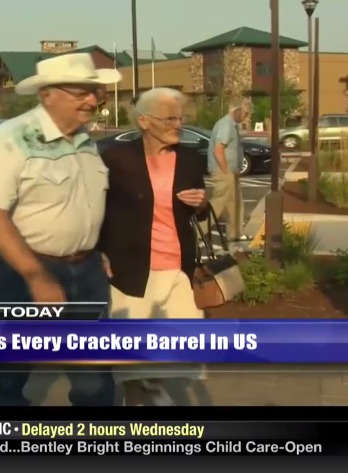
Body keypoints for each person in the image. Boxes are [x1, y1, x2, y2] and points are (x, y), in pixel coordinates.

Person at [0, 53, 121, 406]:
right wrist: (36, 276)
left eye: (95, 92)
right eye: (81, 92)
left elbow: (85, 202)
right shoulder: (10, 140)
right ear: (47, 94)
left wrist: (99, 249)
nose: (93, 100)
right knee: (17, 360)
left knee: (94, 370)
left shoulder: (85, 140)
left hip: (87, 268)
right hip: (24, 268)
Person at [98, 88, 207, 406]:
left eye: (181, 117)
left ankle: (151, 390)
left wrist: (202, 202)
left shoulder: (188, 158)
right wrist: (99, 250)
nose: (178, 124)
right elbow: (97, 209)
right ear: (144, 121)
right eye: (170, 118)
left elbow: (197, 209)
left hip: (178, 268)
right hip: (131, 267)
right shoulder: (115, 158)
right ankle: (137, 400)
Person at [207, 105, 249, 242]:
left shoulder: (232, 125)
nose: (246, 117)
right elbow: (218, 150)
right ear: (236, 111)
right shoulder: (226, 126)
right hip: (224, 171)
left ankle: (234, 233)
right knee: (220, 202)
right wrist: (226, 171)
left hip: (232, 171)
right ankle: (197, 230)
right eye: (245, 113)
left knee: (235, 203)